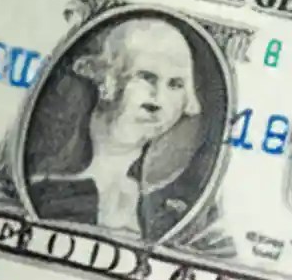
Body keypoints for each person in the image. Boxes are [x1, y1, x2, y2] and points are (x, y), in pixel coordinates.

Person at [25, 17, 212, 241]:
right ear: (108, 80)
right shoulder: (48, 190)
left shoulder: (169, 208)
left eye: (175, 84)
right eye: (145, 77)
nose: (158, 99)